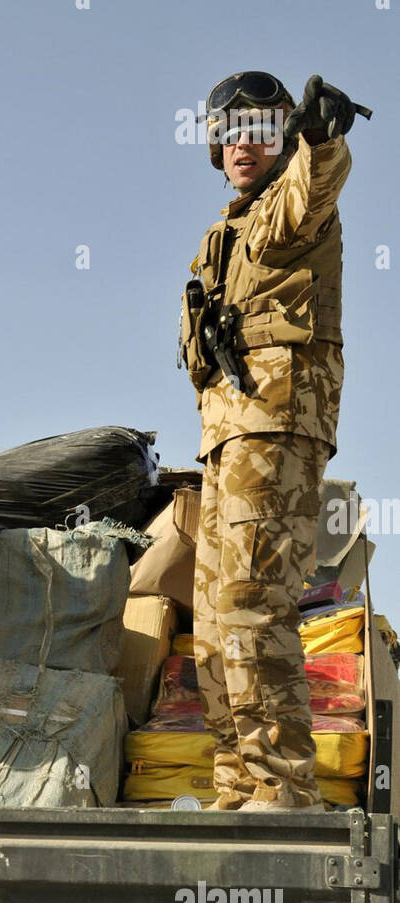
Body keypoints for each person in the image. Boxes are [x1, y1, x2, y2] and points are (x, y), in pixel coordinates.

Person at [180, 72, 356, 812]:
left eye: (263, 128)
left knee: (255, 605)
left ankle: (285, 792)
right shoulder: (223, 236)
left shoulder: (292, 205)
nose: (245, 143)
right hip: (226, 440)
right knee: (216, 629)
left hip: (276, 427)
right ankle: (239, 784)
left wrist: (321, 136)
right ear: (216, 146)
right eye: (233, 130)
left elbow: (316, 183)